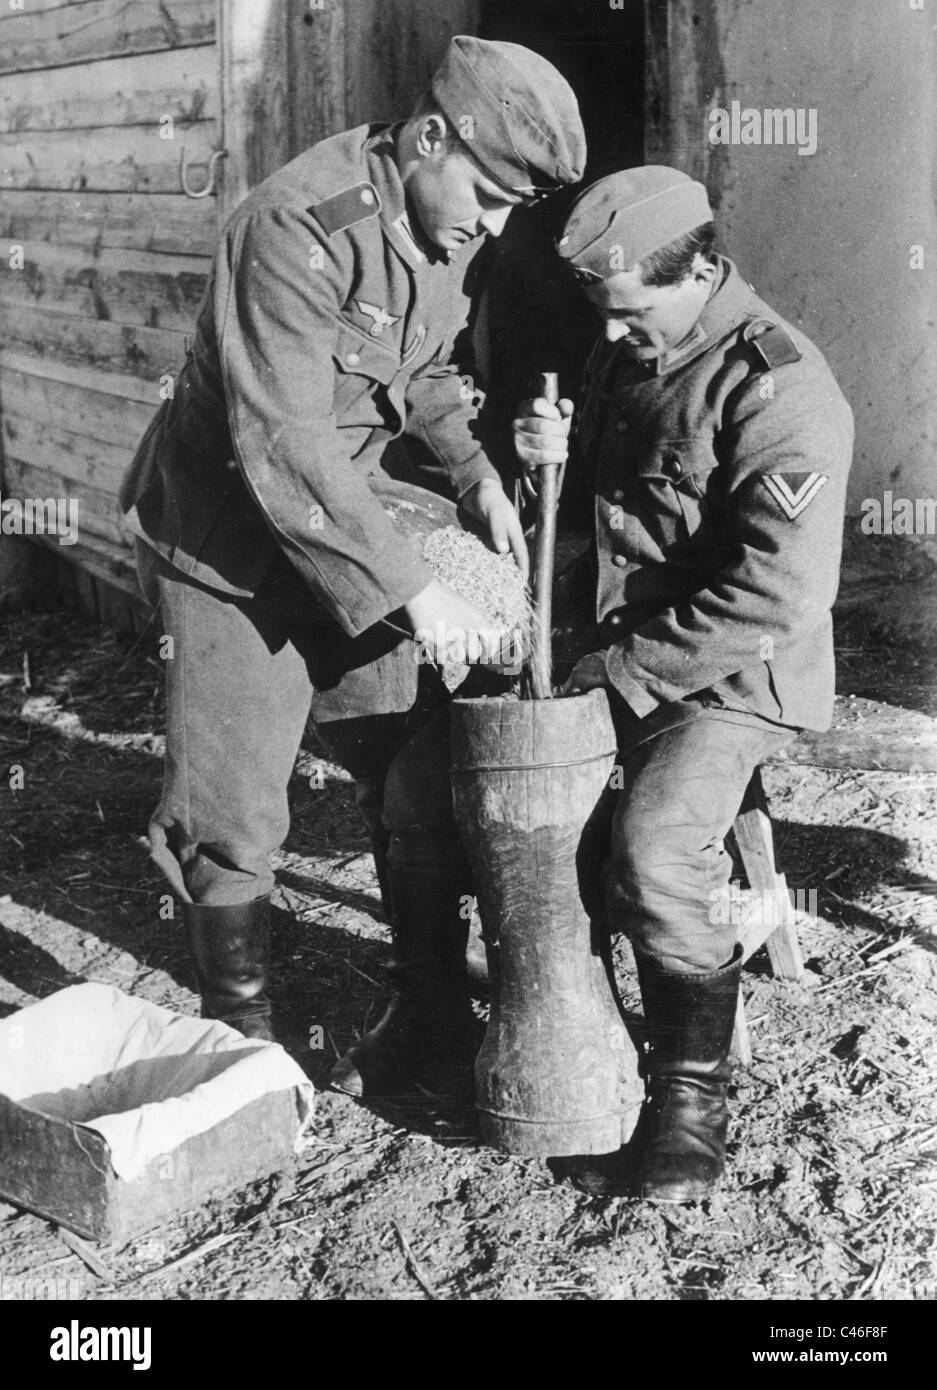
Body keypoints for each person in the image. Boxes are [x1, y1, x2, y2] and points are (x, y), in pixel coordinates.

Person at [119, 36, 586, 1096]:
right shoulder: (290, 228)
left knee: (407, 766)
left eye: (516, 206)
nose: (497, 225)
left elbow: (420, 371)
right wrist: (415, 584)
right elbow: (282, 436)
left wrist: (473, 477)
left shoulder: (445, 218)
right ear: (429, 137)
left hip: (354, 527)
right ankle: (241, 1051)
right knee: (232, 812)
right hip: (230, 545)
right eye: (491, 193)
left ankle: (425, 1006)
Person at [513, 167, 853, 1202]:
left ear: (701, 269)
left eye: (627, 312)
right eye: (600, 314)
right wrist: (544, 470)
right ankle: (550, 1035)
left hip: (732, 676)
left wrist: (619, 675)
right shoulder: (632, 347)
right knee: (507, 801)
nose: (609, 338)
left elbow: (775, 597)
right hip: (622, 642)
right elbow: (609, 525)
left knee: (656, 849)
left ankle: (688, 1102)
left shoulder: (778, 386)